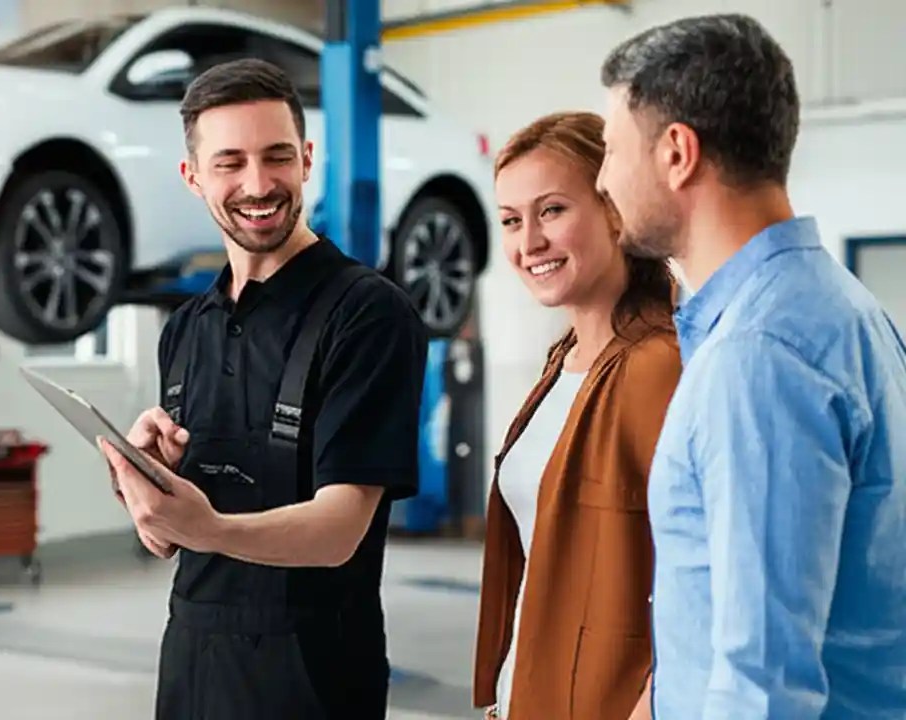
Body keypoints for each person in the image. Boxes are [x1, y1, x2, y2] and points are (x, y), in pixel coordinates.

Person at [96, 58, 428, 719]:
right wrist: (143, 483)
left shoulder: (366, 313)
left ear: (307, 159)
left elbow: (340, 530)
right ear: (193, 177)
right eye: (230, 162)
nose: (258, 183)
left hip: (313, 675)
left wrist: (209, 527)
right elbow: (168, 537)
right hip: (192, 663)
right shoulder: (186, 329)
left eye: (277, 156)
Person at [597, 13, 906, 719]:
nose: (603, 178)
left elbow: (763, 687)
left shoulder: (758, 359)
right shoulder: (840, 313)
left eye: (612, 150)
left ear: (677, 152)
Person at [471, 111, 681, 720]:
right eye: (511, 220)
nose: (527, 242)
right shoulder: (562, 362)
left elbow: (708, 576)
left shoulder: (659, 367)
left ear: (616, 209)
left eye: (552, 210)